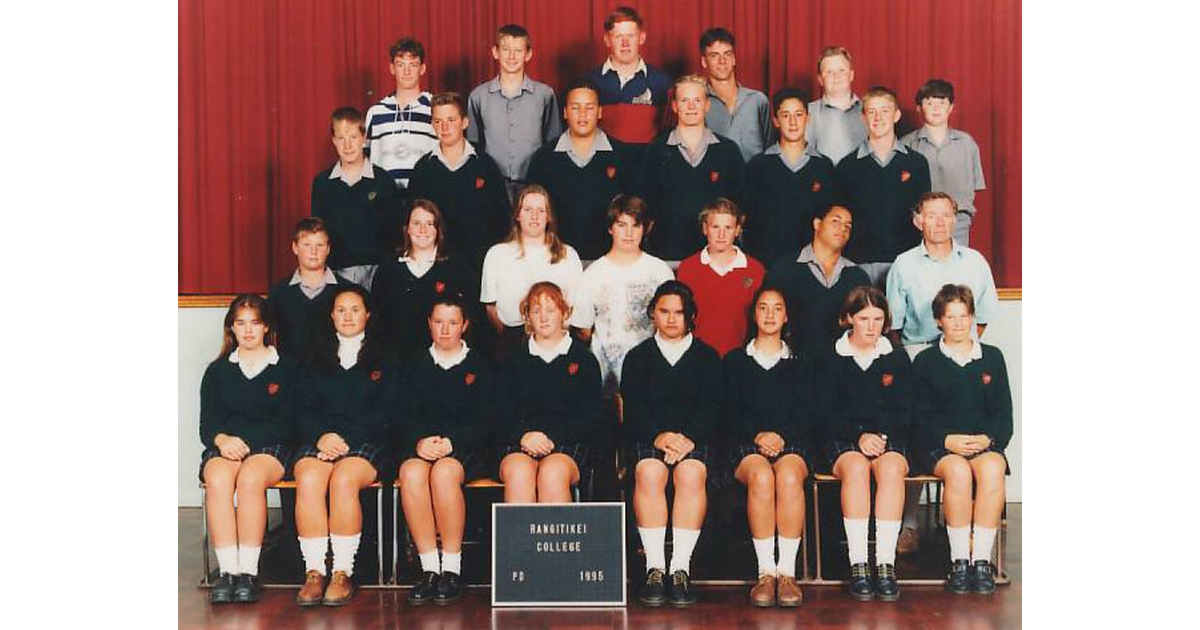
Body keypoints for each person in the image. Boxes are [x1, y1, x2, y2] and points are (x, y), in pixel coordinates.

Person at [292, 286, 401, 607]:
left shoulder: (387, 357)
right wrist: (321, 437)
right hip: (321, 440)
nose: (348, 316)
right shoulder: (313, 356)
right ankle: (314, 572)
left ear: (368, 314)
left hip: (368, 441)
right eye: (341, 310)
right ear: (331, 315)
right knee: (310, 478)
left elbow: (388, 412)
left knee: (343, 479)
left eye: (356, 309)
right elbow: (301, 408)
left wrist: (346, 441)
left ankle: (341, 571)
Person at [621, 281, 722, 608]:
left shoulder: (707, 357)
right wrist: (659, 437)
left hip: (695, 441)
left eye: (679, 313)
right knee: (650, 472)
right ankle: (654, 568)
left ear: (691, 316)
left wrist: (688, 439)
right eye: (664, 311)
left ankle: (679, 568)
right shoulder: (637, 358)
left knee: (691, 474)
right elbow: (633, 407)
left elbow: (713, 406)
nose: (671, 319)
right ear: (653, 313)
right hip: (650, 438)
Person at [199, 295, 302, 604]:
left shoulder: (288, 368)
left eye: (254, 323)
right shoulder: (217, 371)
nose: (247, 331)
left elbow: (293, 423)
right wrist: (222, 441)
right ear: (231, 328)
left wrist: (249, 445)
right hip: (229, 447)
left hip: (272, 448)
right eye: (240, 323)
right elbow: (208, 426)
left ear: (266, 326)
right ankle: (228, 572)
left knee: (250, 479)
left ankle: (248, 572)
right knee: (217, 477)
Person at [912, 284, 1012, 596]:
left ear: (972, 317)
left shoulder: (992, 358)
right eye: (950, 316)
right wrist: (947, 440)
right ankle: (959, 559)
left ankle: (980, 560)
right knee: (957, 472)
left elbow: (1004, 416)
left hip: (982, 444)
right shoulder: (926, 362)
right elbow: (917, 419)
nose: (958, 323)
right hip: (941, 447)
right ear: (938, 320)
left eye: (964, 315)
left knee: (993, 470)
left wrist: (987, 438)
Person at [396, 295, 495, 606]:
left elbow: (490, 418)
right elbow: (399, 414)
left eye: (453, 322)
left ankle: (451, 568)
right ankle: (428, 569)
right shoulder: (413, 364)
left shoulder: (481, 364)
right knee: (410, 473)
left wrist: (454, 442)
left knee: (444, 473)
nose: (445, 329)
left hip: (467, 447)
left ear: (464, 325)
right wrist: (418, 442)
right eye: (438, 321)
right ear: (429, 323)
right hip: (424, 445)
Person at [724, 286, 817, 608]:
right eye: (763, 308)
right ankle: (765, 573)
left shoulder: (800, 362)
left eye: (777, 308)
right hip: (745, 445)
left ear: (786, 315)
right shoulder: (735, 361)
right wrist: (758, 437)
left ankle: (786, 574)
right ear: (754, 314)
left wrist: (782, 438)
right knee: (762, 476)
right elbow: (727, 411)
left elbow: (809, 412)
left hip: (792, 443)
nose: (770, 314)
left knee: (789, 476)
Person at [821, 286, 913, 602]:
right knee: (857, 468)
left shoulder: (896, 358)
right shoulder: (830, 358)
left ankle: (885, 563)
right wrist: (858, 436)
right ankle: (859, 562)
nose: (871, 326)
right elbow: (822, 412)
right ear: (849, 319)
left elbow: (906, 410)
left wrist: (881, 436)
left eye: (878, 318)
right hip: (843, 440)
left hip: (887, 438)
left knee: (889, 469)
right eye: (863, 318)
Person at [496, 282, 604, 503]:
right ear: (527, 317)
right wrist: (523, 436)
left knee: (552, 473)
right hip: (521, 443)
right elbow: (500, 413)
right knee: (519, 472)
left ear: (564, 313)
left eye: (551, 310)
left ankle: (556, 539)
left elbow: (590, 417)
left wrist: (551, 440)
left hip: (567, 444)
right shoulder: (512, 360)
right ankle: (520, 539)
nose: (543, 317)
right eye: (536, 311)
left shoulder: (584, 360)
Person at [569, 194, 674, 391]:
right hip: (606, 378)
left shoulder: (660, 271)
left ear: (645, 229)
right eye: (621, 225)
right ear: (610, 228)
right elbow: (583, 330)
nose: (629, 233)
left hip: (652, 375)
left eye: (635, 225)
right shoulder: (593, 274)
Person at [638, 75, 746, 261]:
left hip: (716, 258)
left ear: (707, 105)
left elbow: (740, 204)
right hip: (667, 253)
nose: (691, 106)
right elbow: (645, 204)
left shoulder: (728, 151)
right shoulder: (656, 150)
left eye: (697, 100)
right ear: (674, 106)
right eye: (684, 100)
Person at [834, 86, 932, 286]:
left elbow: (924, 216)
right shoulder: (847, 166)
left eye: (885, 111)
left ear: (896, 115)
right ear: (863, 117)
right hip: (858, 263)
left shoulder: (917, 163)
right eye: (871, 111)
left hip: (905, 263)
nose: (878, 118)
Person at [526, 78, 634, 260]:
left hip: (610, 261)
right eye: (575, 108)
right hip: (557, 259)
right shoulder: (544, 158)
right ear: (565, 112)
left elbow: (633, 212)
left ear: (599, 112)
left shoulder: (623, 156)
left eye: (589, 108)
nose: (582, 114)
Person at [886, 191, 999, 359]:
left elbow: (983, 317)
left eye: (946, 215)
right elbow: (893, 325)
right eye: (931, 216)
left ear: (954, 220)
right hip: (918, 352)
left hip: (963, 353)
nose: (940, 223)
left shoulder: (976, 262)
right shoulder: (903, 264)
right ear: (919, 222)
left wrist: (957, 345)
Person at [407, 92, 512, 270]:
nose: (444, 127)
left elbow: (502, 219)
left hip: (479, 264)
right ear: (432, 124)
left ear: (464, 122)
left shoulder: (485, 165)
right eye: (438, 121)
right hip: (435, 265)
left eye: (451, 120)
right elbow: (413, 221)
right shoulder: (423, 169)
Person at [480, 184, 584, 360]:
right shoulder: (497, 254)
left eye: (541, 210)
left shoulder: (568, 255)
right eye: (528, 209)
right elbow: (490, 307)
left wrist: (553, 336)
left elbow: (576, 304)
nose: (534, 216)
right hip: (512, 342)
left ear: (548, 216)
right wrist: (509, 338)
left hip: (557, 341)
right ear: (517, 215)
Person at [373, 199, 480, 359]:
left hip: (444, 359)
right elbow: (377, 315)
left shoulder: (457, 265)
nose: (423, 230)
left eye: (430, 224)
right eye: (416, 223)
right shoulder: (389, 267)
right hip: (398, 358)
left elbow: (473, 313)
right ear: (407, 228)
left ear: (438, 229)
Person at [311, 106, 403, 289]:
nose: (347, 145)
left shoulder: (383, 181)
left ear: (364, 138)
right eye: (341, 138)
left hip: (378, 273)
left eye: (353, 137)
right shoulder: (323, 184)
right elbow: (319, 234)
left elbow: (395, 234)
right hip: (337, 272)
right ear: (333, 141)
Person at [467, 23, 562, 200]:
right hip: (493, 186)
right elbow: (473, 145)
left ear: (528, 54)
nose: (512, 56)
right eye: (506, 49)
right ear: (495, 52)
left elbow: (552, 142)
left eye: (518, 50)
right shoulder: (478, 96)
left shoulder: (544, 95)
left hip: (534, 185)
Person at [743, 87, 836, 266]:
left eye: (798, 114)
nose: (793, 122)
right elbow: (747, 221)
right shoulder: (758, 166)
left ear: (808, 118)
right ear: (776, 121)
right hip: (768, 264)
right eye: (785, 115)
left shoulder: (824, 167)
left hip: (812, 265)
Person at [763, 204, 870, 356]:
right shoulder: (783, 272)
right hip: (793, 366)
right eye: (836, 221)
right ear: (817, 224)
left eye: (848, 225)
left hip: (844, 368)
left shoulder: (858, 277)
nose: (843, 229)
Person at [901, 79, 986, 247]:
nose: (936, 108)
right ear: (919, 108)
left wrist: (954, 215)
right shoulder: (906, 144)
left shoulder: (966, 143)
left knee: (956, 268)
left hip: (958, 221)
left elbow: (974, 187)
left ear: (951, 107)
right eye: (930, 103)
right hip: (921, 222)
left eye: (942, 102)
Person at [676, 198, 764, 356]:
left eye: (728, 228)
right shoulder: (687, 268)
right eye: (715, 227)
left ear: (737, 230)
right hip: (696, 359)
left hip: (741, 359)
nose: (721, 234)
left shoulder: (755, 270)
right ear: (705, 228)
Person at [268, 217, 360, 361]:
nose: (313, 251)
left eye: (320, 245)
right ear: (295, 247)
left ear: (328, 249)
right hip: (291, 376)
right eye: (307, 245)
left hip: (333, 375)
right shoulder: (278, 293)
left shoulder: (346, 291)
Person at [584, 6, 671, 154]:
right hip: (603, 169)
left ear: (642, 38)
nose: (625, 43)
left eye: (631, 36)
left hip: (646, 169)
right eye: (618, 37)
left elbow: (669, 132)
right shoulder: (589, 82)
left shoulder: (662, 81)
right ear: (607, 40)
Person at [365, 37, 437, 188]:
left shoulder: (435, 109)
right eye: (400, 64)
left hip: (425, 199)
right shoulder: (376, 112)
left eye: (413, 65)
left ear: (422, 68)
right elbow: (365, 160)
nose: (407, 71)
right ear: (392, 68)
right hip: (385, 201)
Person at [699, 27, 771, 162]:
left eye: (727, 54)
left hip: (755, 179)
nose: (722, 61)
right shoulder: (699, 103)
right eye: (714, 55)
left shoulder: (758, 100)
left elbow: (770, 148)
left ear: (734, 59)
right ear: (704, 62)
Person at [805, 46, 865, 166]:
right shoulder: (805, 113)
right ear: (820, 79)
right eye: (829, 72)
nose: (836, 76)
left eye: (841, 70)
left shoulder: (871, 111)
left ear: (851, 75)